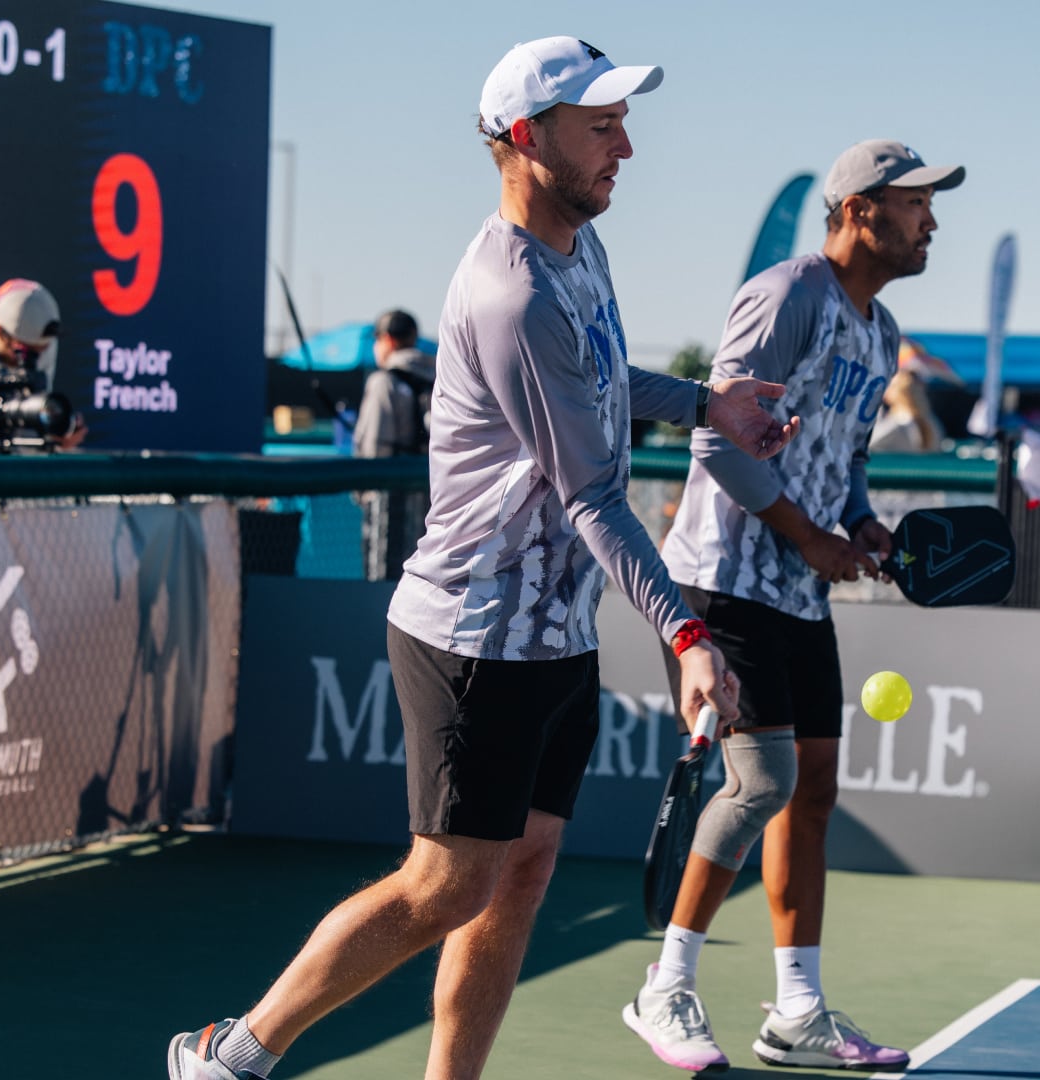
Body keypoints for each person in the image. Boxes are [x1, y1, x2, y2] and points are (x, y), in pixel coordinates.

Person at [168, 36, 798, 1080]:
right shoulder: (512, 295)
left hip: (553, 635)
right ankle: (230, 1055)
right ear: (524, 139)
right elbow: (593, 490)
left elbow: (600, 377)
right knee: (448, 884)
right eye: (601, 127)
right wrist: (686, 632)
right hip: (470, 636)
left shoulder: (580, 251)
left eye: (621, 122)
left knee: (526, 869)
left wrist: (706, 403)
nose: (626, 146)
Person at [622, 139, 964, 1072]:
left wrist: (861, 527)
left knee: (811, 791)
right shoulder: (789, 295)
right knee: (762, 782)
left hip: (799, 590)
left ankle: (797, 1012)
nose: (931, 220)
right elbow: (715, 441)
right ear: (858, 209)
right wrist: (809, 534)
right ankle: (667, 988)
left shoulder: (880, 330)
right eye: (915, 203)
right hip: (721, 578)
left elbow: (845, 460)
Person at [352, 308, 436, 580]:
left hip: (389, 504)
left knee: (381, 581)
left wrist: (364, 493)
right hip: (433, 505)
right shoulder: (439, 378)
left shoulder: (383, 382)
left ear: (387, 340)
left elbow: (376, 447)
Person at [0, 278, 87, 448]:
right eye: (23, 352)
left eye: (40, 350)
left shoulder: (40, 339)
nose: (33, 359)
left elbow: (27, 417)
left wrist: (51, 439)